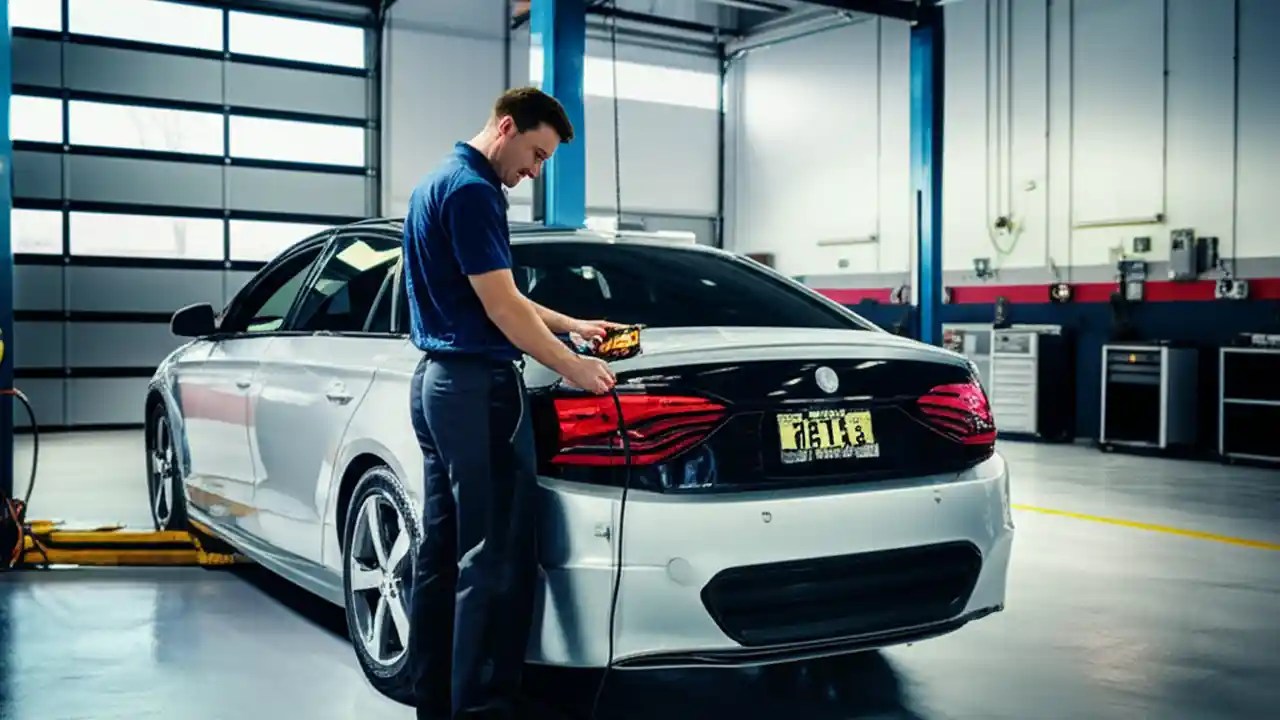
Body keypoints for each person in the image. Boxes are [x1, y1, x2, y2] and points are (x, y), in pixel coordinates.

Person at [402, 87, 619, 720]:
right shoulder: (473, 192)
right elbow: (500, 309)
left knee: (444, 553)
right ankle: (484, 707)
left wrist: (570, 323)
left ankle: (436, 699)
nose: (534, 172)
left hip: (439, 383)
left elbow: (499, 295)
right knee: (493, 558)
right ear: (505, 127)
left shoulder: (437, 181)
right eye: (536, 153)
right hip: (476, 390)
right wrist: (574, 367)